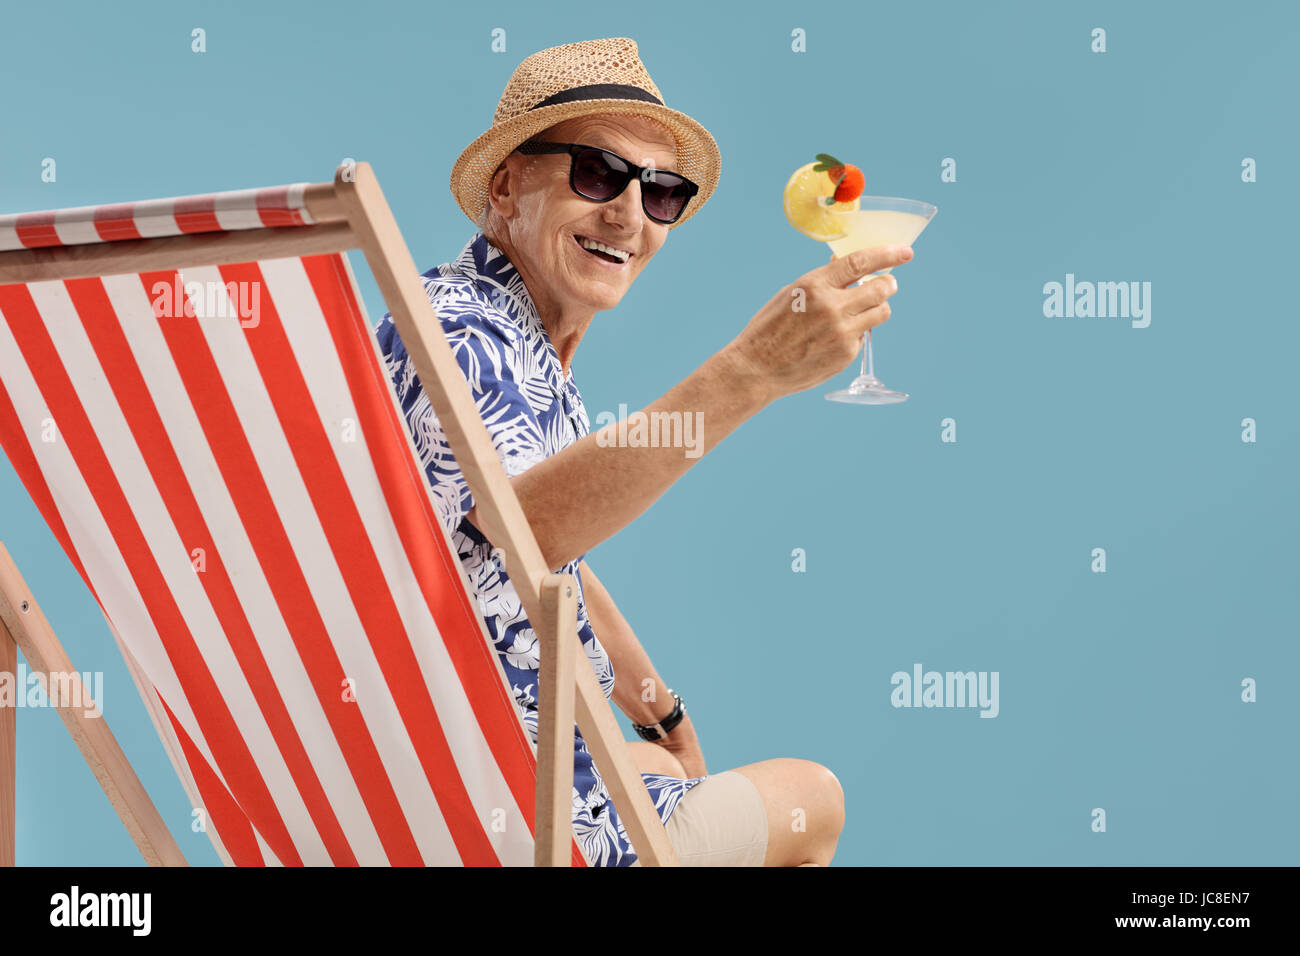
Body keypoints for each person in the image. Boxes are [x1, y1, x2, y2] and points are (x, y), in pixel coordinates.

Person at [375, 37, 910, 866]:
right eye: (597, 173)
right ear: (507, 181)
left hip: (440, 786)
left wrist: (664, 715)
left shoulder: (516, 348)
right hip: (514, 816)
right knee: (813, 800)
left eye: (661, 192)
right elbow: (523, 530)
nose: (630, 214)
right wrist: (752, 372)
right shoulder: (463, 326)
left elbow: (535, 552)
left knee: (660, 763)